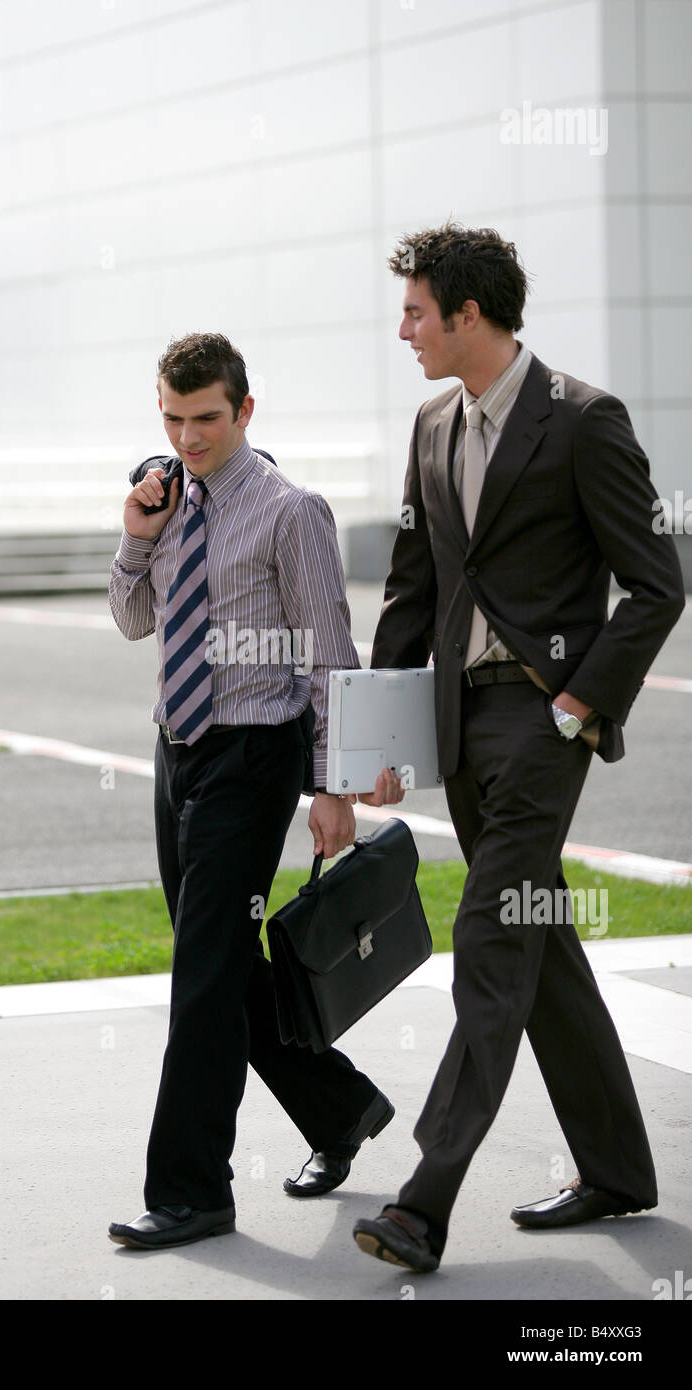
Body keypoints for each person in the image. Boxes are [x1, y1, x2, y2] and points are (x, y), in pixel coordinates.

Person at [351, 223, 685, 1274]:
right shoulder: (429, 422)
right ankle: (619, 1171)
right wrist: (379, 738)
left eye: (415, 312)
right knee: (538, 943)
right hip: (462, 726)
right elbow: (413, 588)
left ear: (467, 315)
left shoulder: (583, 421)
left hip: (544, 721)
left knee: (490, 941)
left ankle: (423, 1196)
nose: (401, 329)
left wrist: (578, 705)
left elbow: (657, 585)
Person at [107, 332, 396, 1250]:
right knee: (221, 966)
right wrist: (134, 537)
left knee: (200, 978)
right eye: (173, 418)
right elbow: (132, 618)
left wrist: (333, 786)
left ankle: (192, 1191)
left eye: (206, 419)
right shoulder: (167, 500)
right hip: (178, 748)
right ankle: (340, 1107)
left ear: (244, 411)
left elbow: (328, 656)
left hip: (253, 758)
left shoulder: (288, 511)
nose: (188, 438)